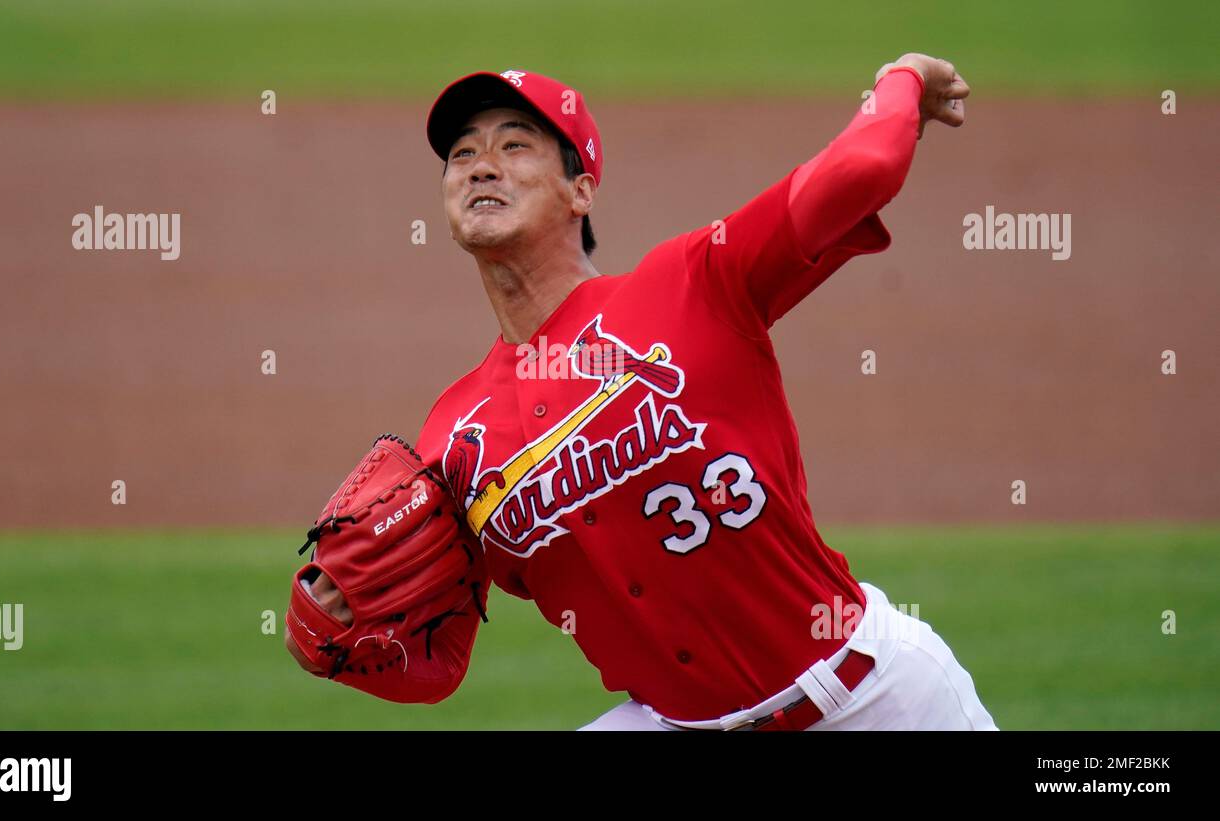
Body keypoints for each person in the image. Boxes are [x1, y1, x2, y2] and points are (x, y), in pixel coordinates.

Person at [288, 55, 997, 730]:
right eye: (462, 154)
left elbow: (861, 169)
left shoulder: (693, 281)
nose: (482, 166)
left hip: (874, 695)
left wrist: (900, 81)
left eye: (515, 144)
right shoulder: (456, 435)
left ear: (581, 189)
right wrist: (335, 604)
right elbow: (424, 623)